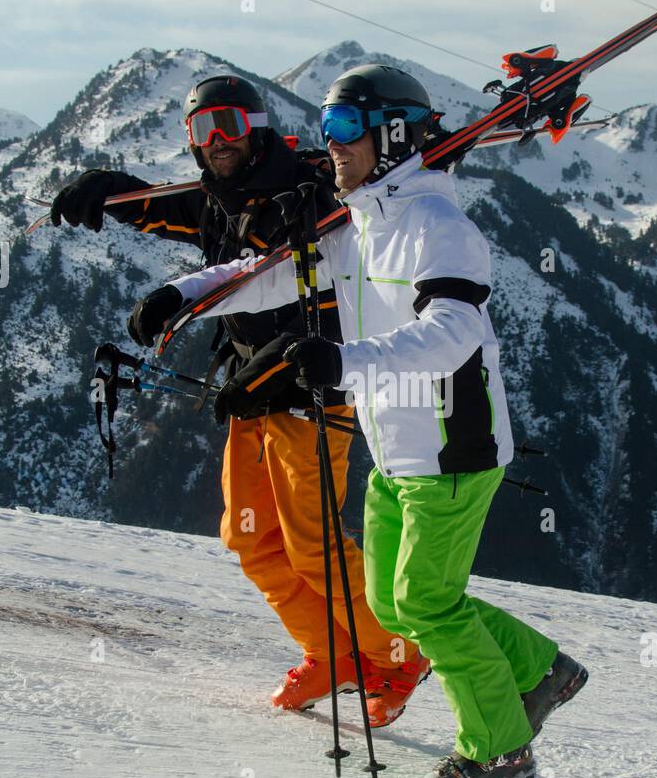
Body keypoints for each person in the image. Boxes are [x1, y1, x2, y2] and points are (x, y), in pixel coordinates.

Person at [138, 63, 588, 778]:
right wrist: (183, 297)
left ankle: (501, 746)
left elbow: (452, 333)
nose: (330, 143)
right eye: (325, 126)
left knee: (425, 604)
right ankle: (542, 668)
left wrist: (342, 363)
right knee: (385, 600)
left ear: (394, 134)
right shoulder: (361, 225)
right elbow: (275, 273)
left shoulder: (438, 229)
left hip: (452, 447)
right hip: (398, 449)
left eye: (346, 127)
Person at [51, 74, 426, 727]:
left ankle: (399, 655)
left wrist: (308, 196)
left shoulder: (307, 180)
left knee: (313, 546)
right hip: (249, 386)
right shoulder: (213, 198)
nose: (218, 141)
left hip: (314, 388)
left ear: (257, 127)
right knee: (251, 542)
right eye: (203, 130)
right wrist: (108, 190)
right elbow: (161, 211)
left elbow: (343, 192)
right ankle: (331, 652)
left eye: (229, 124)